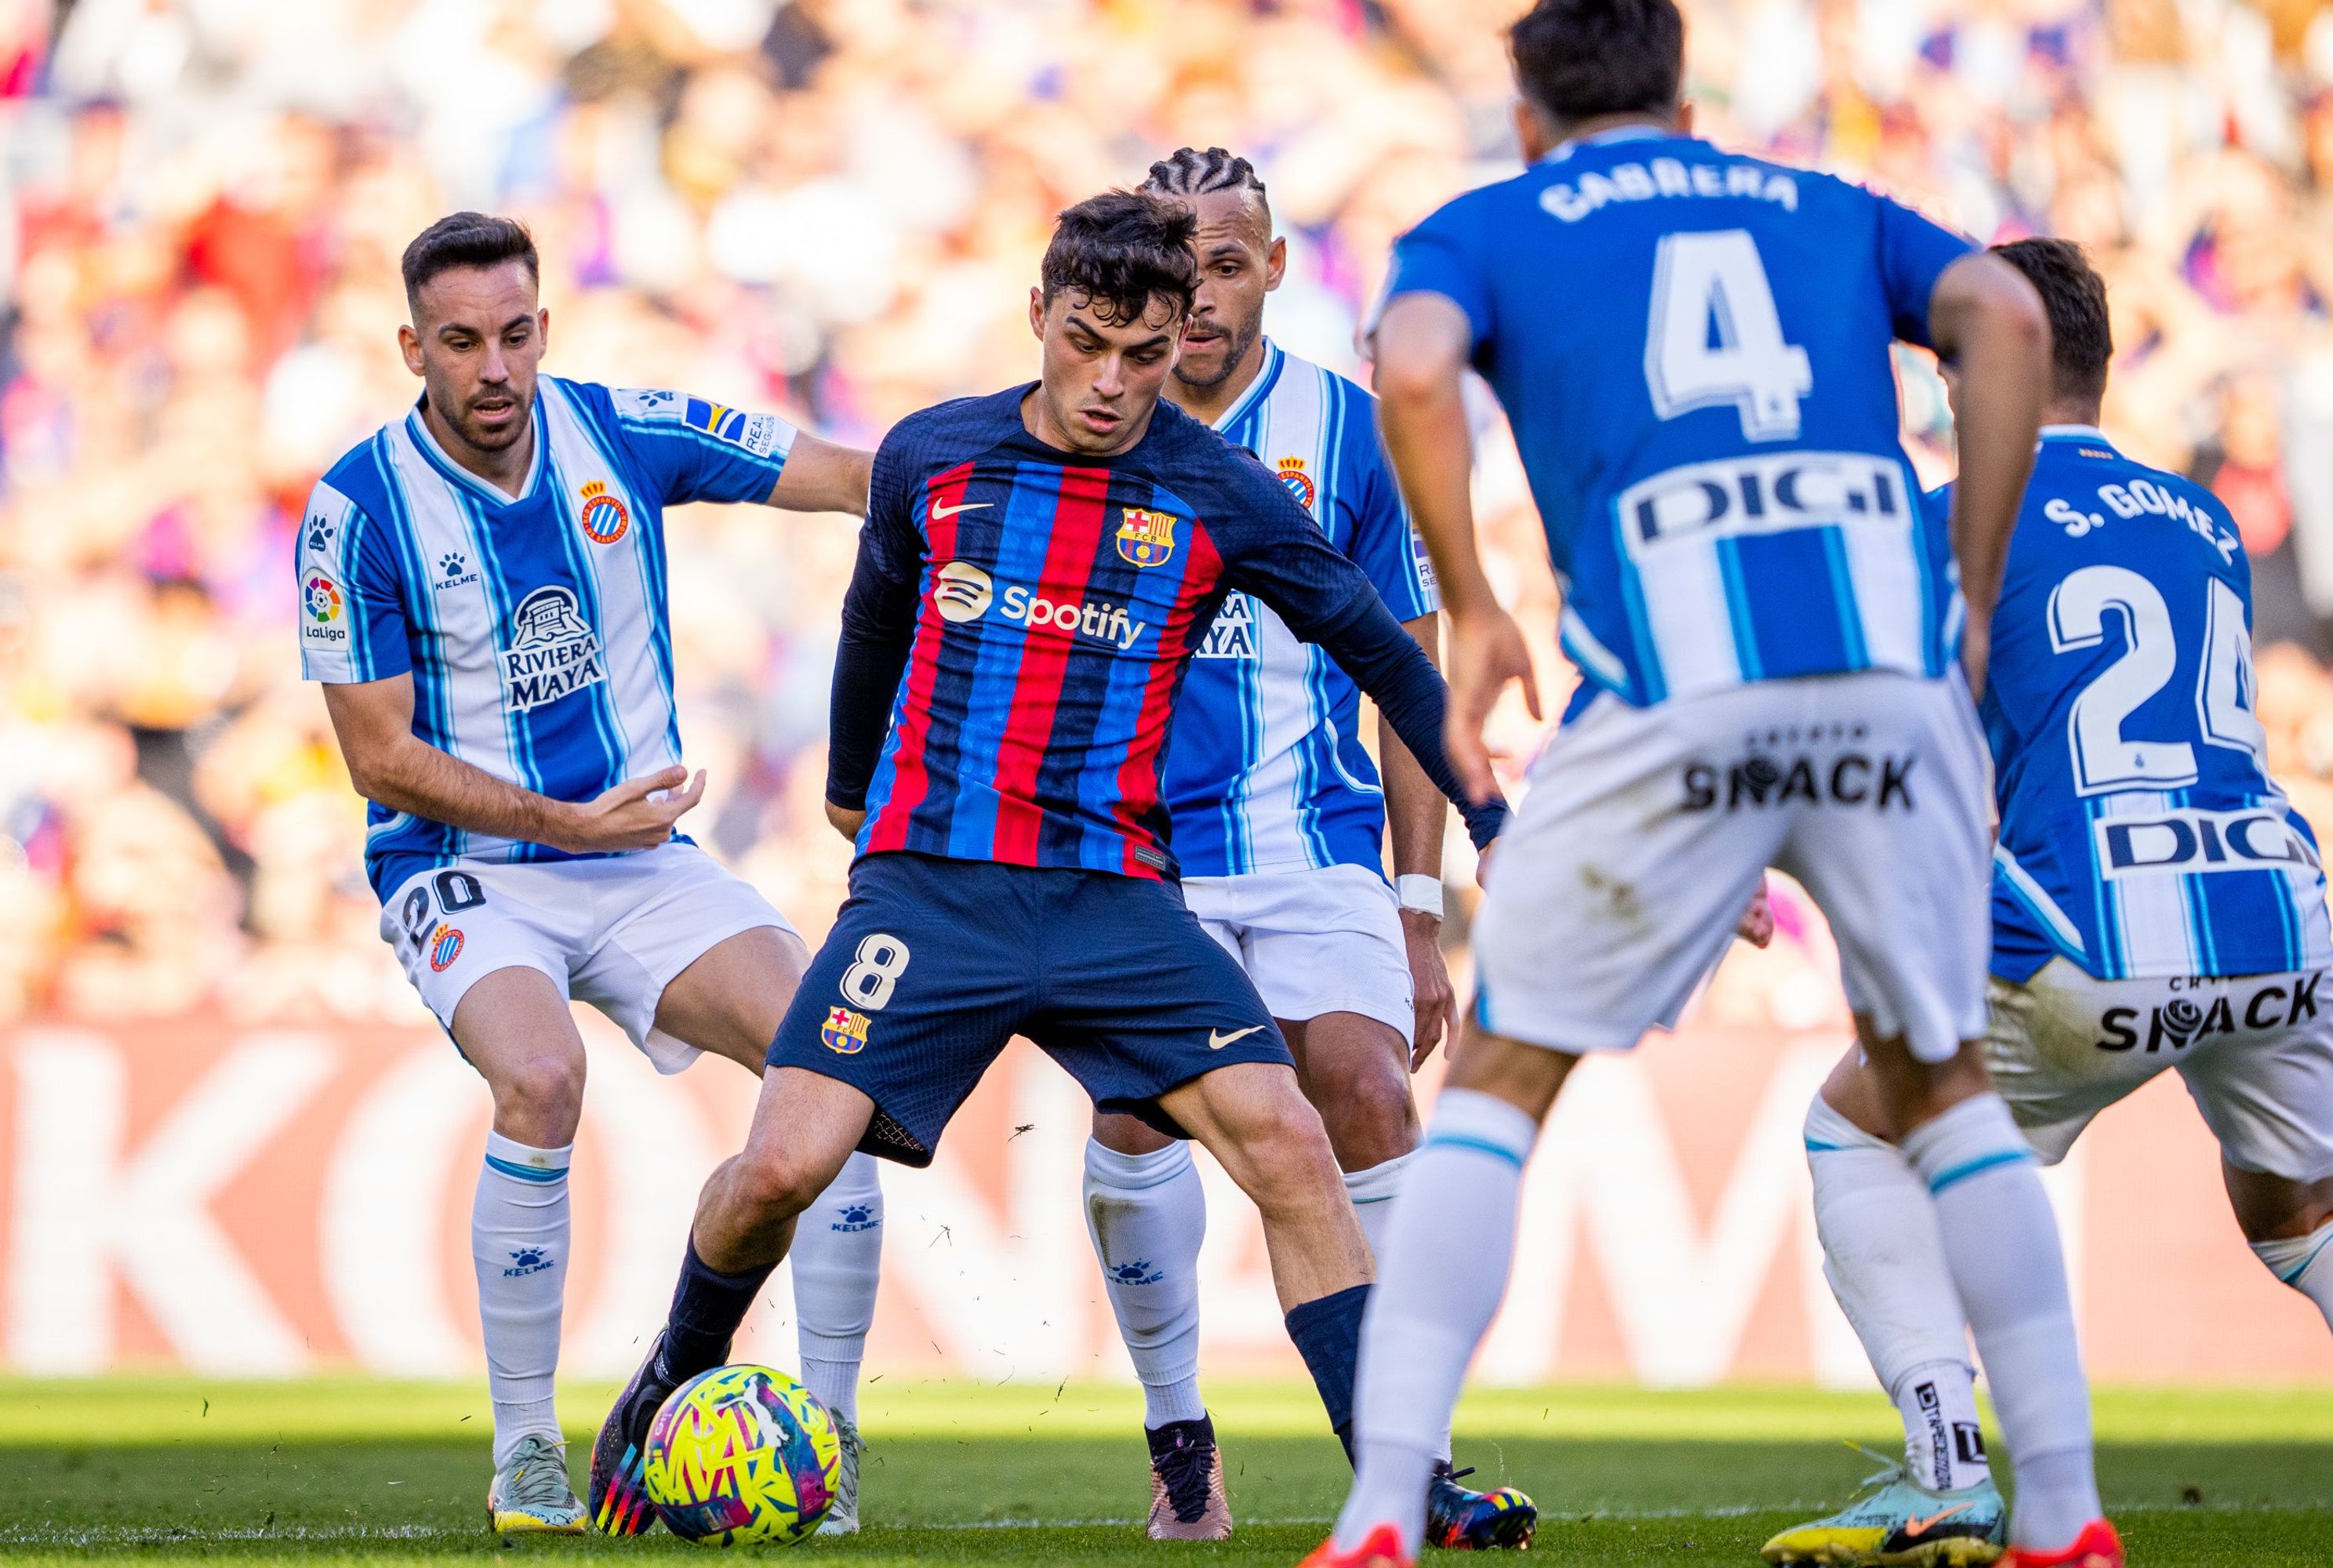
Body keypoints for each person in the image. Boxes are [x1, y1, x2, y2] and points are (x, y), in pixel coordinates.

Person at [1309, 0, 2122, 1564]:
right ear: (1682, 104)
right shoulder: (1822, 204)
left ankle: (1382, 1513)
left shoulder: (1487, 221)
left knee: (1501, 1082)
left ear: (1531, 113)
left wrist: (1475, 607)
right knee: (1942, 1077)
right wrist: (1964, 582)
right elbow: (2007, 325)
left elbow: (1411, 366)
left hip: (1669, 682)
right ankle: (2069, 1516)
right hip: (1882, 686)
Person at [584, 190, 1508, 1537]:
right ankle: (673, 1369)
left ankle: (1401, 1484)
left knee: (1293, 1147)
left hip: (1116, 903)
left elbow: (1386, 655)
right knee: (781, 1167)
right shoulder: (933, 458)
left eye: (1146, 357)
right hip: (933, 890)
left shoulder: (1216, 490)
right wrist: (851, 791)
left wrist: (1499, 834)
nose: (1116, 385)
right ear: (1040, 315)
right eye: (1090, 346)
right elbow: (870, 627)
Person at [1764, 237, 2333, 1566]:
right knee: (2311, 1215)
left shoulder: (1948, 520)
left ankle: (1945, 1471)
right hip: (2265, 910)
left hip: (2088, 931)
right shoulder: (2201, 515)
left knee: (1857, 1135)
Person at [297, 212, 889, 1535]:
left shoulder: (617, 428)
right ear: (413, 348)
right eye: (461, 343)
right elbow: (378, 758)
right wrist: (571, 827)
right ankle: (526, 1455)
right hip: (468, 867)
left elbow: (840, 472)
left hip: (640, 861)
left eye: (516, 335)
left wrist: (983, 479)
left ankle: (831, 1442)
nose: (495, 368)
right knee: (542, 1075)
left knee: (837, 1071)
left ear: (545, 327)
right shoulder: (358, 507)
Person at [1054, 145, 1535, 1548]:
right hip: (1141, 856)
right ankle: (1179, 1436)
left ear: (1272, 267)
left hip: (1317, 844)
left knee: (1367, 1092)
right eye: (1174, 261)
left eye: (1225, 261)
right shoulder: (1086, 422)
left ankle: (1415, 1461)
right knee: (1138, 1111)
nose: (1197, 293)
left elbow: (1413, 676)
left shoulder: (1358, 431)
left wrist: (1417, 908)